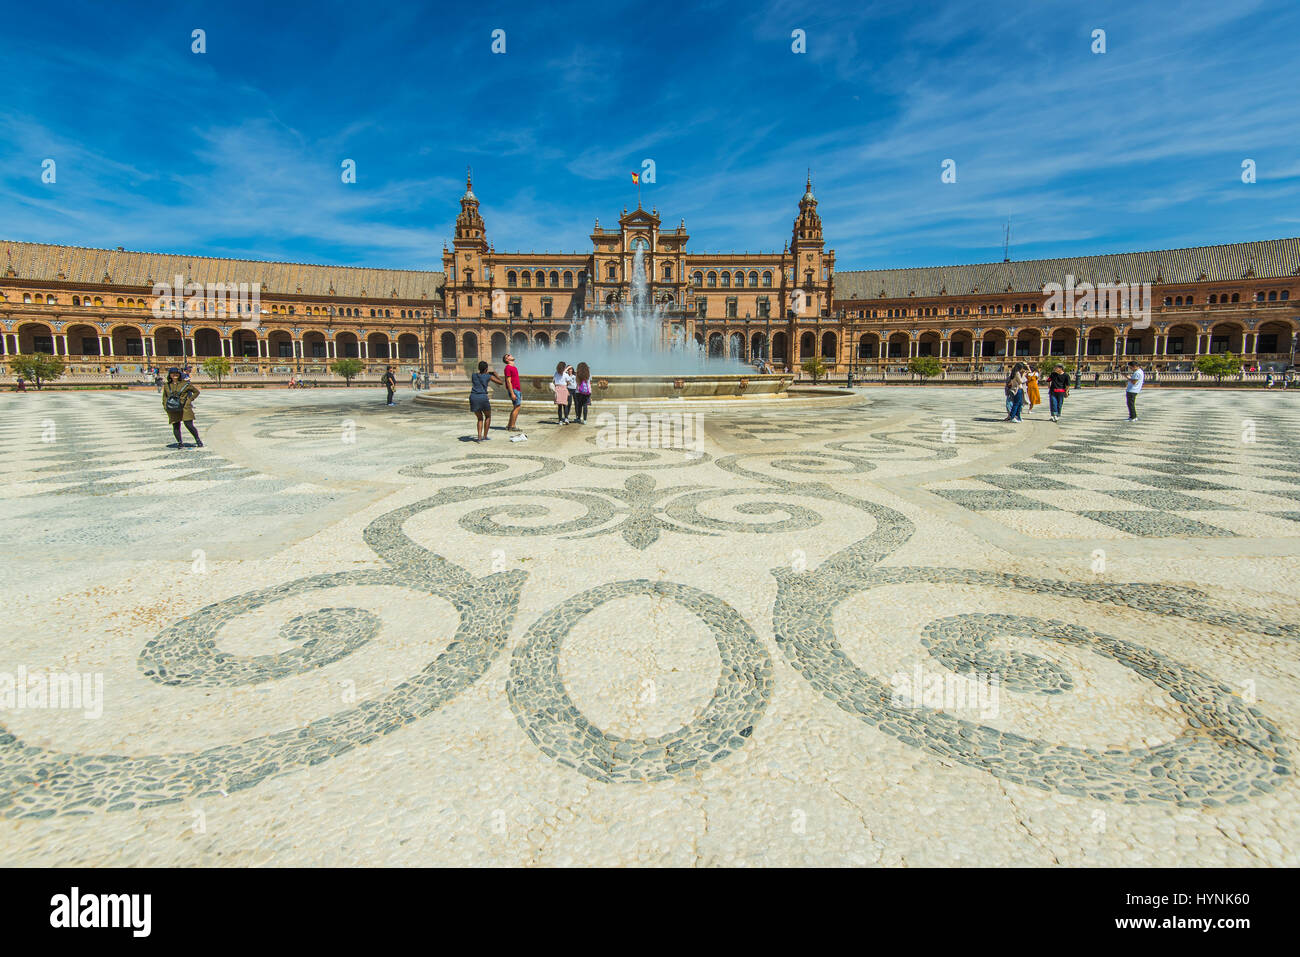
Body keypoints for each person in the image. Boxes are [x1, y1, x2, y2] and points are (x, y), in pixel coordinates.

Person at [162, 368, 202, 448]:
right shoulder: (167, 385)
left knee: (189, 425)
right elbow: (165, 396)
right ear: (169, 375)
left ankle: (197, 439)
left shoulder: (185, 384)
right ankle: (180, 442)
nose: (175, 375)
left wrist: (190, 400)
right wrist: (165, 405)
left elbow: (196, 392)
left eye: (176, 373)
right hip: (172, 408)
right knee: (176, 425)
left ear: (179, 374)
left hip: (185, 408)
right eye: (172, 373)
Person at [469, 360, 503, 442]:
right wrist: (496, 375)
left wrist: (486, 373)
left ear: (478, 368)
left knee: (480, 418)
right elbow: (501, 382)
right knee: (488, 416)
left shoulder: (473, 375)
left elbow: (480, 376)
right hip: (482, 397)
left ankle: (479, 437)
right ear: (486, 369)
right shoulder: (488, 376)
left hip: (473, 397)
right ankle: (485, 436)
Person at [502, 353, 523, 431]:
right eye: (508, 355)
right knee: (517, 407)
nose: (510, 355)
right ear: (507, 360)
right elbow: (508, 381)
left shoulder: (513, 367)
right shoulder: (508, 368)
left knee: (515, 407)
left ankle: (509, 425)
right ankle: (512, 426)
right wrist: (512, 393)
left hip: (516, 390)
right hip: (514, 390)